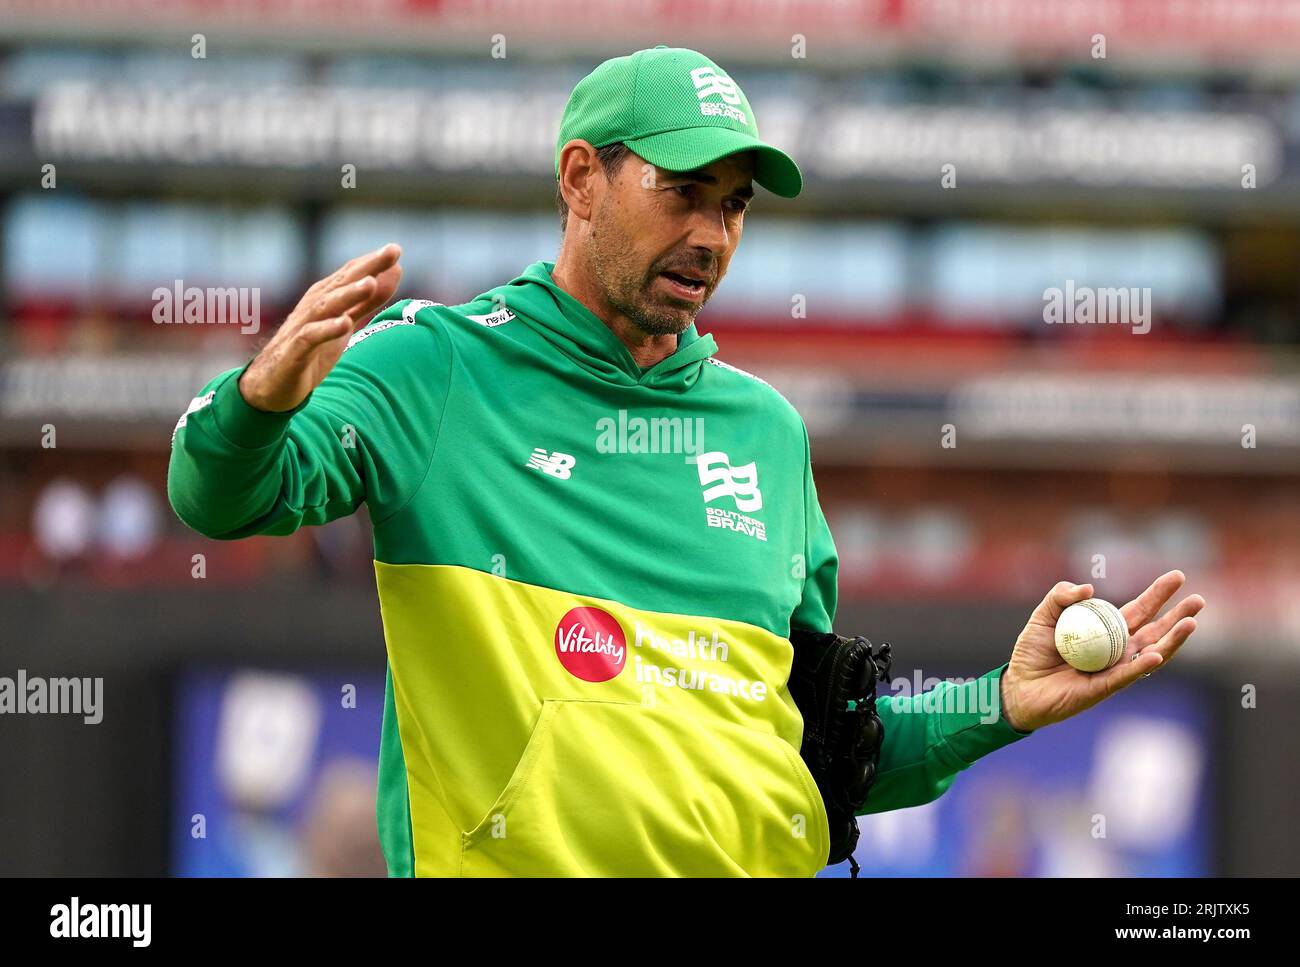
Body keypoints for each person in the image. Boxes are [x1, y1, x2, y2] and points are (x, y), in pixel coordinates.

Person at [167, 45, 1204, 877]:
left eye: (735, 204)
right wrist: (256, 399)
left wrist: (995, 705)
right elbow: (222, 498)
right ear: (582, 177)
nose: (711, 233)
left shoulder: (767, 429)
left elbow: (824, 752)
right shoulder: (434, 368)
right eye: (683, 191)